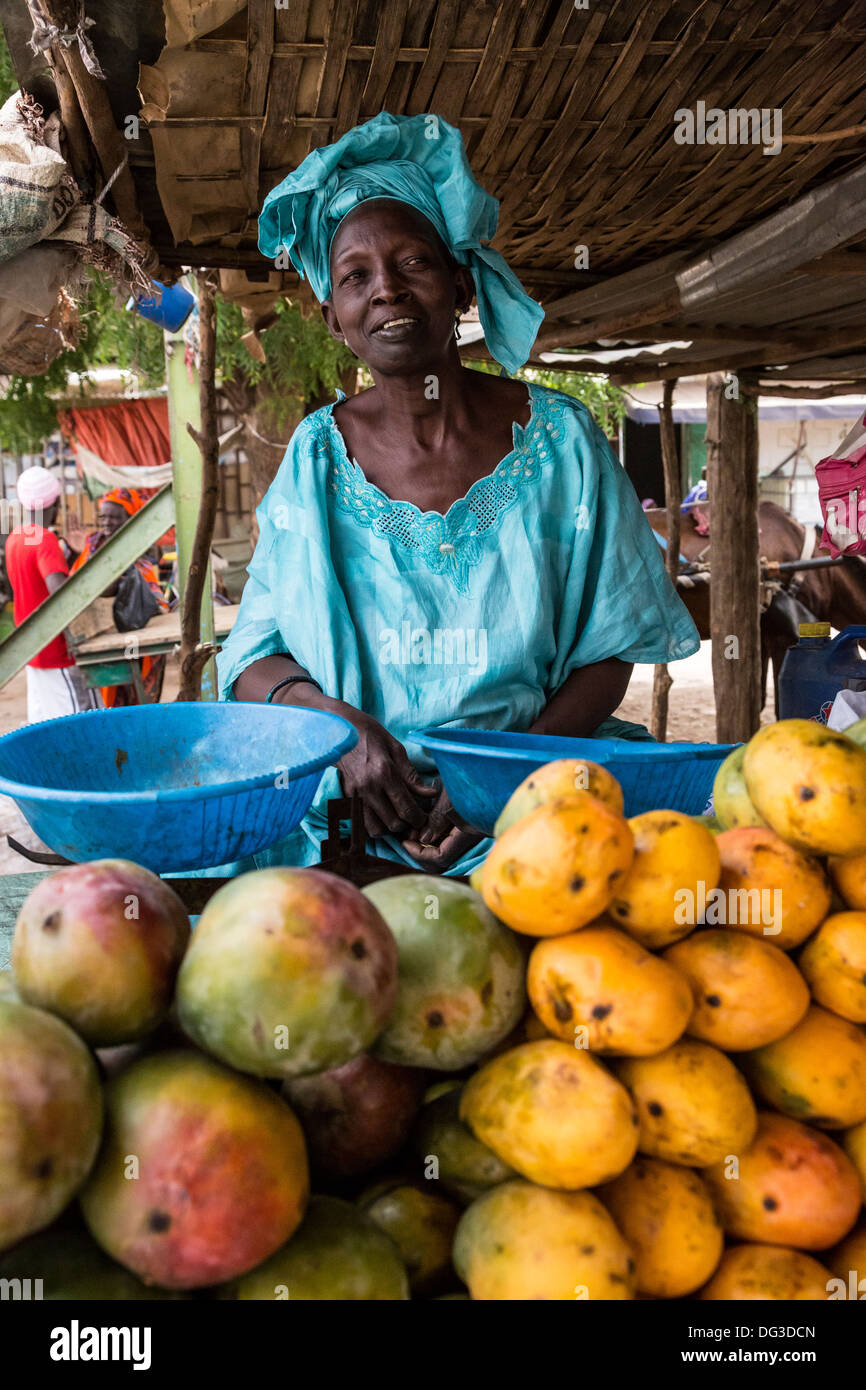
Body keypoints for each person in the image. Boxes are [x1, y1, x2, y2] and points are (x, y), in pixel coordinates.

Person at [218, 112, 700, 877]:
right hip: (354, 815)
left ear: (461, 283)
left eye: (413, 262)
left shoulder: (564, 442)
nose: (386, 290)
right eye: (356, 276)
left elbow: (610, 650)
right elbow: (255, 658)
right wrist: (344, 736)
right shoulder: (315, 457)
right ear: (332, 315)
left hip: (534, 794)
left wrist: (497, 779)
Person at [4, 465, 101, 722]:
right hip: (56, 652)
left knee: (45, 725)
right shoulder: (45, 540)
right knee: (82, 724)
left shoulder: (15, 538)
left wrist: (68, 551)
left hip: (32, 649)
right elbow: (61, 598)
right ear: (56, 502)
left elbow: (34, 583)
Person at [69, 488, 169, 706]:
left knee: (133, 693)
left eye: (114, 517)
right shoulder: (92, 546)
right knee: (107, 698)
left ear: (129, 519)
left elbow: (156, 602)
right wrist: (78, 553)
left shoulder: (138, 553)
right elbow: (76, 590)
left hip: (130, 637)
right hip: (99, 635)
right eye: (103, 517)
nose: (106, 523)